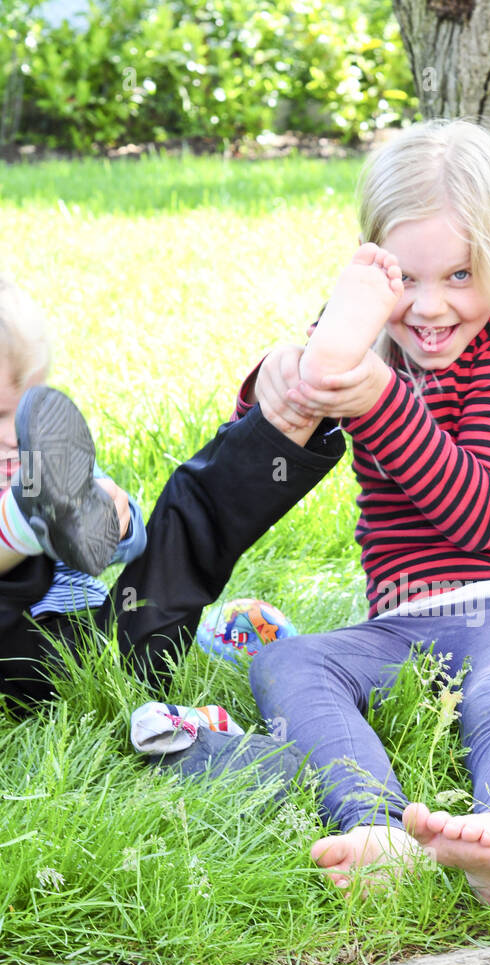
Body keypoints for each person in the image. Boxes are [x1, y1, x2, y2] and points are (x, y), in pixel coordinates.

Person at [245, 119, 490, 915]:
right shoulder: (373, 338)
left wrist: (378, 399)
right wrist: (280, 376)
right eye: (406, 278)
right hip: (405, 620)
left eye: (462, 274)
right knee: (288, 663)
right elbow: (275, 437)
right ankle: (373, 829)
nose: (431, 306)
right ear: (372, 269)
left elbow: (479, 516)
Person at [0, 274, 346, 717]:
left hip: (93, 646)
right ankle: (22, 523)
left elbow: (131, 546)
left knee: (186, 514)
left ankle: (291, 419)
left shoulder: (50, 458)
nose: (17, 436)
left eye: (31, 407)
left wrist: (113, 519)